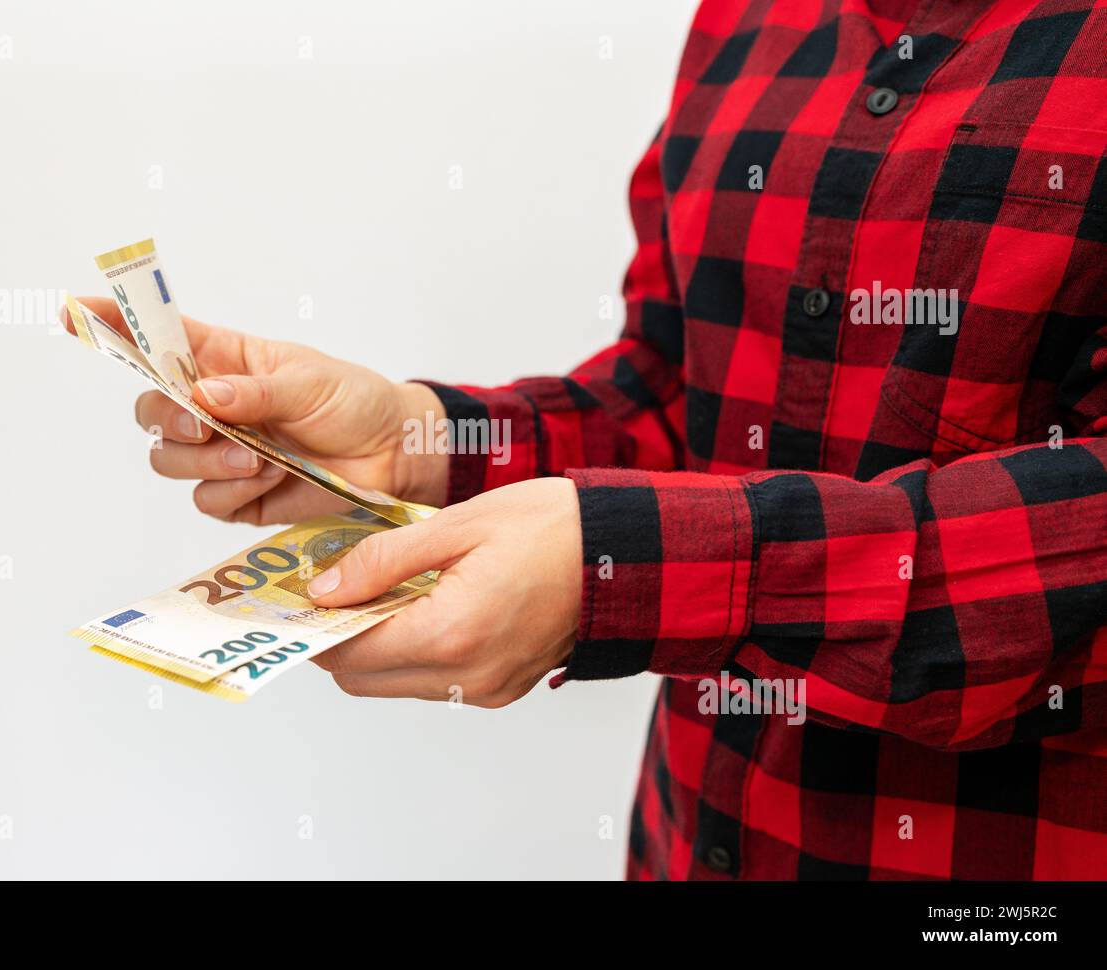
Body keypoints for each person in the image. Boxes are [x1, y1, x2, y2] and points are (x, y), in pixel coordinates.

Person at [73, 0, 1107, 879]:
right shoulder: (748, 21)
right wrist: (418, 440)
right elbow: (673, 390)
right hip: (691, 835)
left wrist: (613, 571)